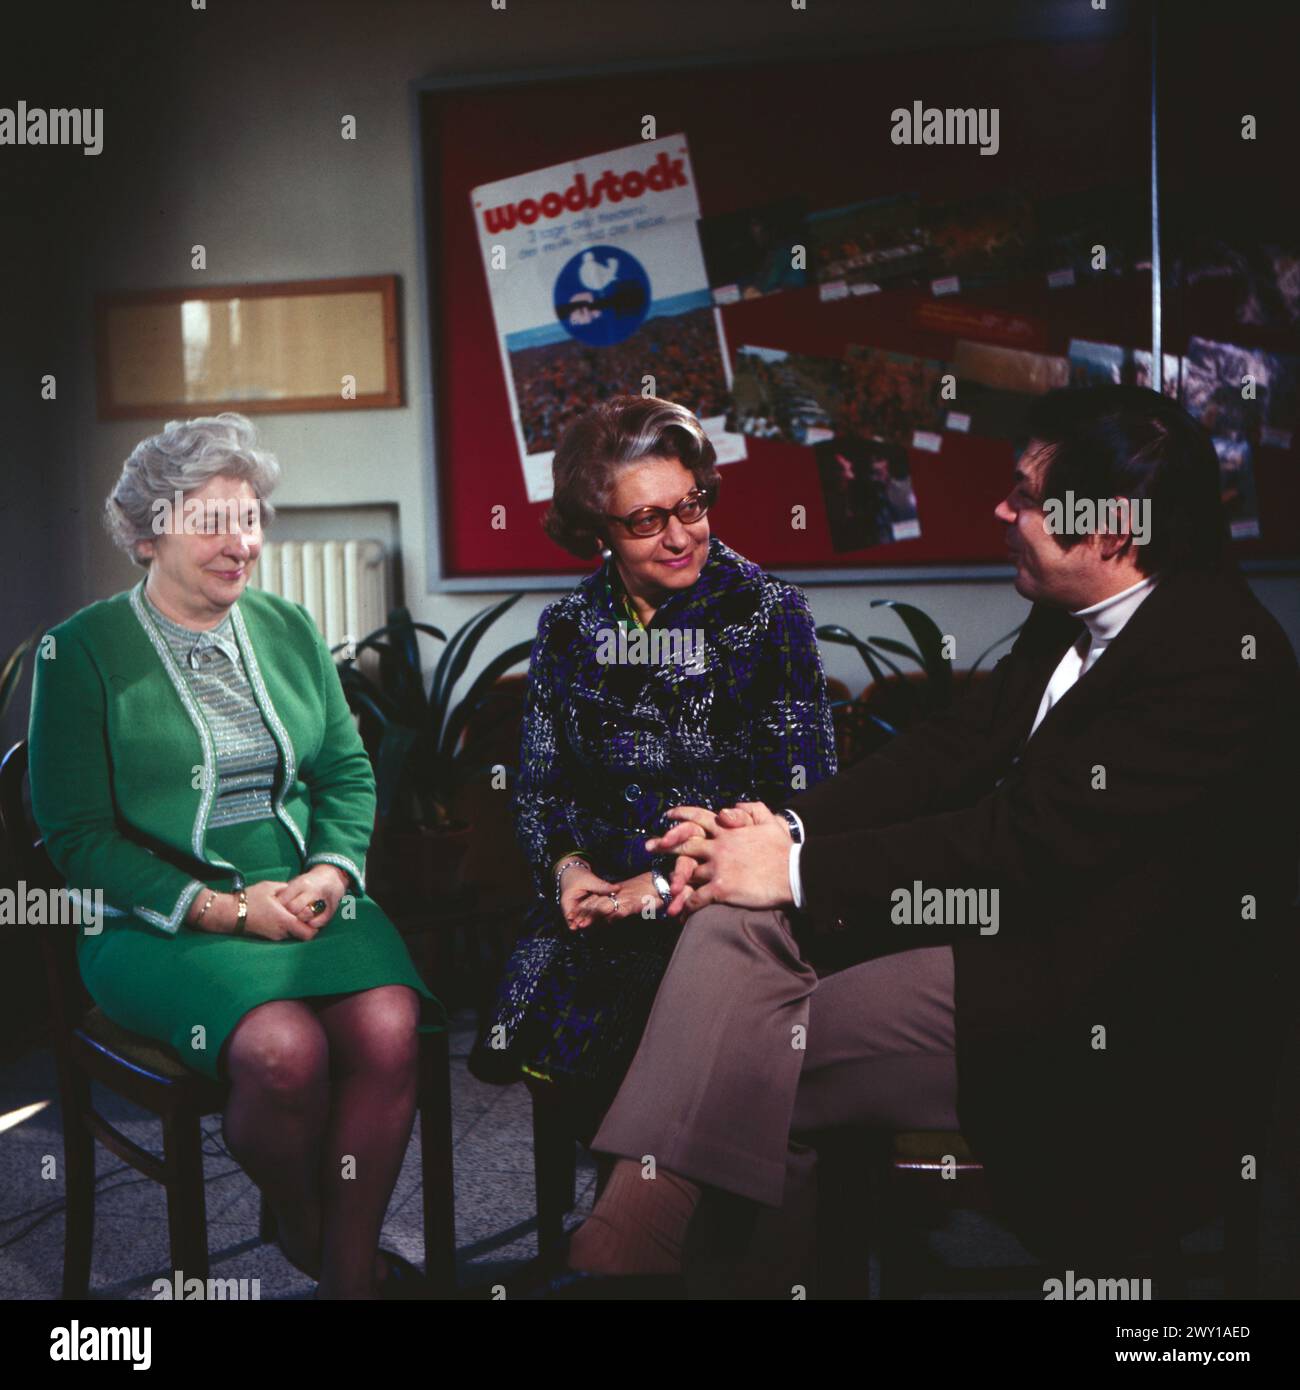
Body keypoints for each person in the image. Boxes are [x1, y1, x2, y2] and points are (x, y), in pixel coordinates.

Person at [541, 384, 1300, 1296]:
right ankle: (634, 1235)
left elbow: (1019, 842)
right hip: (1003, 935)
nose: (1001, 510)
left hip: (1098, 1007)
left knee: (747, 1050)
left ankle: (639, 1248)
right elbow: (950, 753)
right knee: (729, 928)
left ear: (1107, 533)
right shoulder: (1066, 615)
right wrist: (783, 828)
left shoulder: (1217, 658)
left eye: (1023, 495)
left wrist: (791, 868)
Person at [28, 413, 446, 1300]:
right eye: (212, 523)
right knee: (282, 1054)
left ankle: (345, 1278)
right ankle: (305, 1224)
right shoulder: (82, 654)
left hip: (304, 894)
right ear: (148, 535)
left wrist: (331, 873)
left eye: (250, 519)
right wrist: (224, 909)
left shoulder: (291, 627)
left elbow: (345, 772)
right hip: (158, 919)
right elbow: (76, 840)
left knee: (389, 1027)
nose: (242, 543)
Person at [469, 395, 837, 1131]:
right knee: (574, 1037)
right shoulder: (569, 628)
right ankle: (633, 1209)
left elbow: (803, 799)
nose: (681, 536)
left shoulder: (770, 615)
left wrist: (664, 881)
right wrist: (571, 872)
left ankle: (654, 1218)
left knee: (654, 1044)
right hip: (592, 900)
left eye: (691, 506)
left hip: (721, 900)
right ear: (595, 531)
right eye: (646, 520)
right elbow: (539, 791)